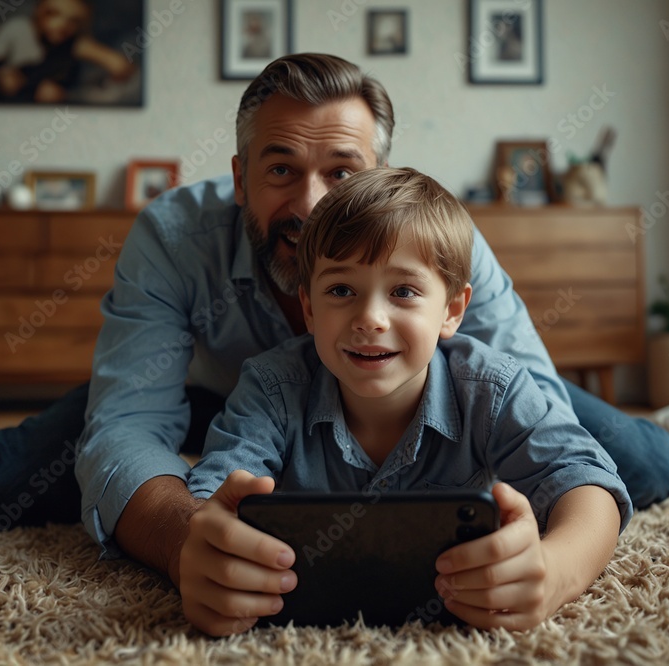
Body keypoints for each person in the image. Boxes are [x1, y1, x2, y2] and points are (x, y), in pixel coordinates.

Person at [0, 53, 669, 630]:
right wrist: (190, 541)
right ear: (239, 177)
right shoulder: (174, 236)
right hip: (207, 407)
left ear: (380, 178)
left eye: (341, 172)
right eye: (280, 170)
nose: (309, 204)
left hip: (423, 396)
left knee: (638, 464)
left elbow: (529, 398)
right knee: (14, 476)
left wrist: (552, 568)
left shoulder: (442, 242)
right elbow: (130, 428)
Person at [182, 166, 631, 635]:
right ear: (309, 309)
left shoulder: (492, 388)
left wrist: (556, 571)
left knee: (648, 461)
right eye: (341, 290)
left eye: (403, 291)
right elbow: (209, 502)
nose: (370, 318)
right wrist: (209, 552)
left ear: (452, 311)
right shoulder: (270, 387)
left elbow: (584, 480)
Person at [0, 0, 134, 103]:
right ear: (39, 11)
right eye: (54, 14)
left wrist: (69, 95)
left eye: (74, 20)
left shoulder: (75, 43)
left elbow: (120, 66)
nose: (62, 25)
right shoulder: (18, 29)